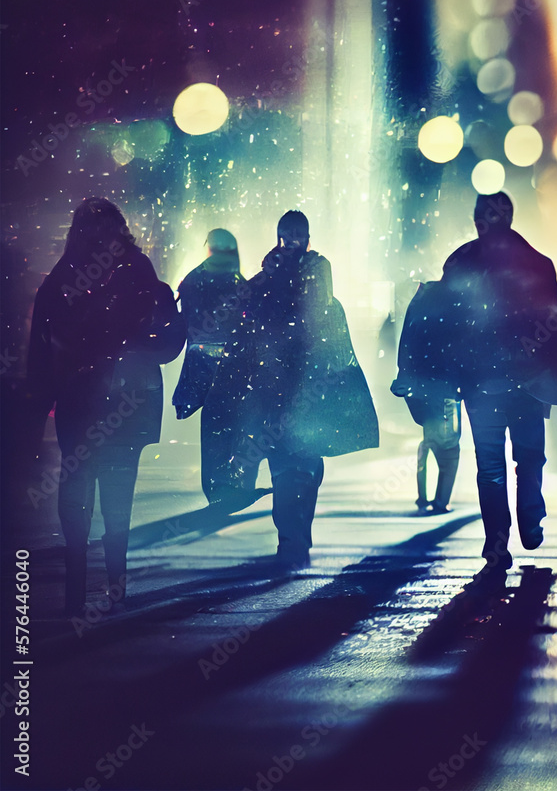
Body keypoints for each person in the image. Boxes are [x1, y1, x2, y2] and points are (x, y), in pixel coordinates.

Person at [26, 198, 185, 615]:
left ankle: (81, 593)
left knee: (80, 490)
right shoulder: (135, 270)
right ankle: (113, 587)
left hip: (86, 403)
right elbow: (166, 339)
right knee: (114, 494)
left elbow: (42, 354)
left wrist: (36, 409)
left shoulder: (64, 278)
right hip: (122, 404)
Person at [221, 210, 378, 568]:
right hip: (283, 387)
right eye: (287, 234)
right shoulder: (269, 281)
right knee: (289, 462)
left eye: (297, 234)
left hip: (302, 386)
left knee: (302, 460)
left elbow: (319, 322)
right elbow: (251, 331)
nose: (292, 241)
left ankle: (295, 534)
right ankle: (291, 537)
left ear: (306, 237)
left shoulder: (300, 277)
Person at [442, 192, 557, 584]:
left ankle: (497, 544)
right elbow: (553, 325)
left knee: (491, 467)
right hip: (528, 382)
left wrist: (448, 375)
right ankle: (530, 519)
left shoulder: (461, 262)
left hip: (481, 383)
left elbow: (445, 326)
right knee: (529, 457)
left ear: (477, 219)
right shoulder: (537, 263)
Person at [172, 228, 247, 503]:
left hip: (202, 360)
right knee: (231, 421)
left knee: (215, 422)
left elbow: (186, 323)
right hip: (231, 363)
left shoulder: (193, 280)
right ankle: (228, 483)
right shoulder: (239, 282)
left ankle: (216, 485)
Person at [391, 280, 462, 515]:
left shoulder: (419, 301)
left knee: (429, 439)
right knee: (449, 446)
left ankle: (423, 496)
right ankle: (441, 500)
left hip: (420, 384)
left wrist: (404, 375)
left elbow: (406, 341)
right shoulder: (453, 300)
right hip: (445, 385)